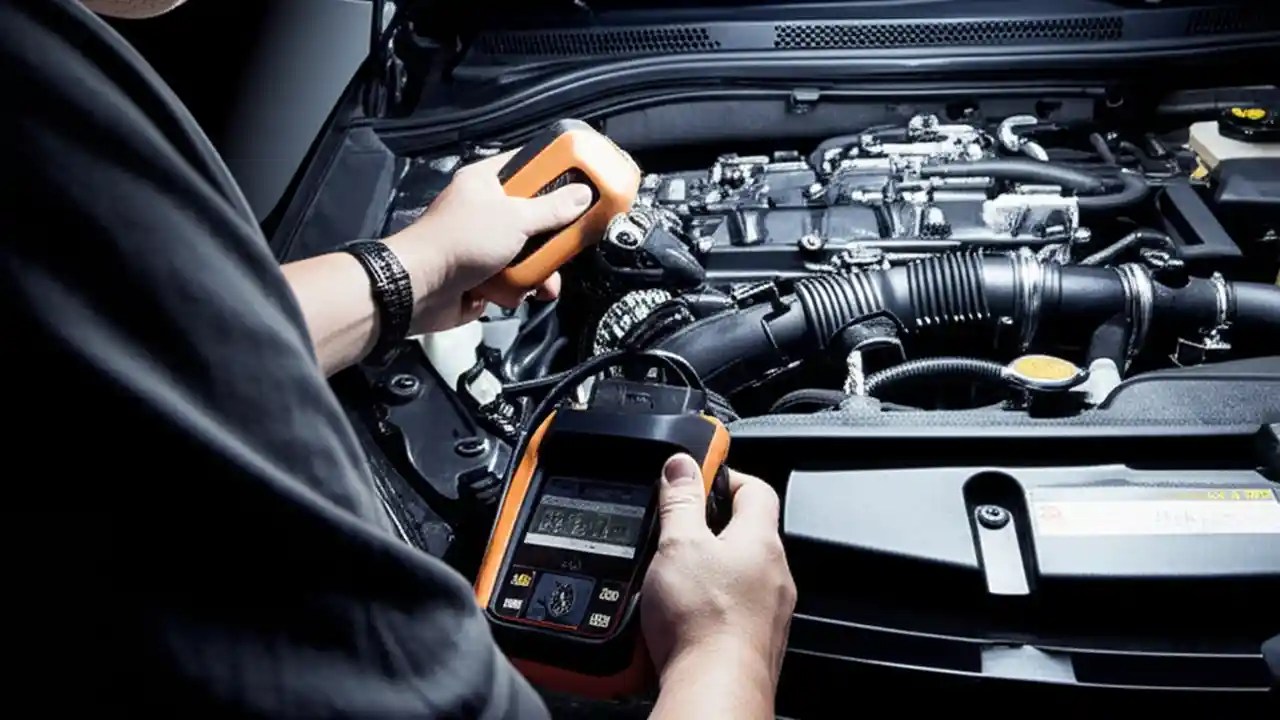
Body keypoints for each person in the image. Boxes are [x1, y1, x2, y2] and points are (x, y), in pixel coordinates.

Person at [1, 0, 796, 716]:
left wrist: (408, 269)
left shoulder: (44, 65)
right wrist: (726, 655)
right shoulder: (46, 105)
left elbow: (165, 339)